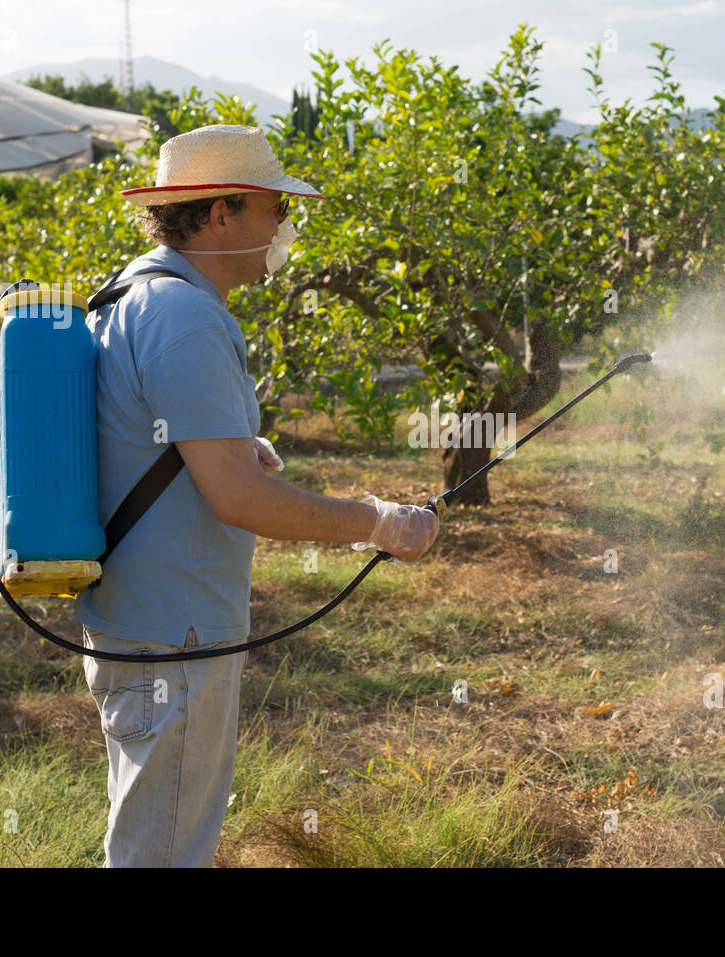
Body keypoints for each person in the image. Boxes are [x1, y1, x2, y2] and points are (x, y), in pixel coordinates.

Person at [73, 124, 438, 867]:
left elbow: (146, 436)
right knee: (164, 851)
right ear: (220, 214)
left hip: (136, 623)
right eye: (273, 208)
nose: (284, 227)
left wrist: (228, 448)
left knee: (150, 833)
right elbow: (239, 499)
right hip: (174, 639)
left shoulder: (132, 292)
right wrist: (378, 522)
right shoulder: (187, 317)